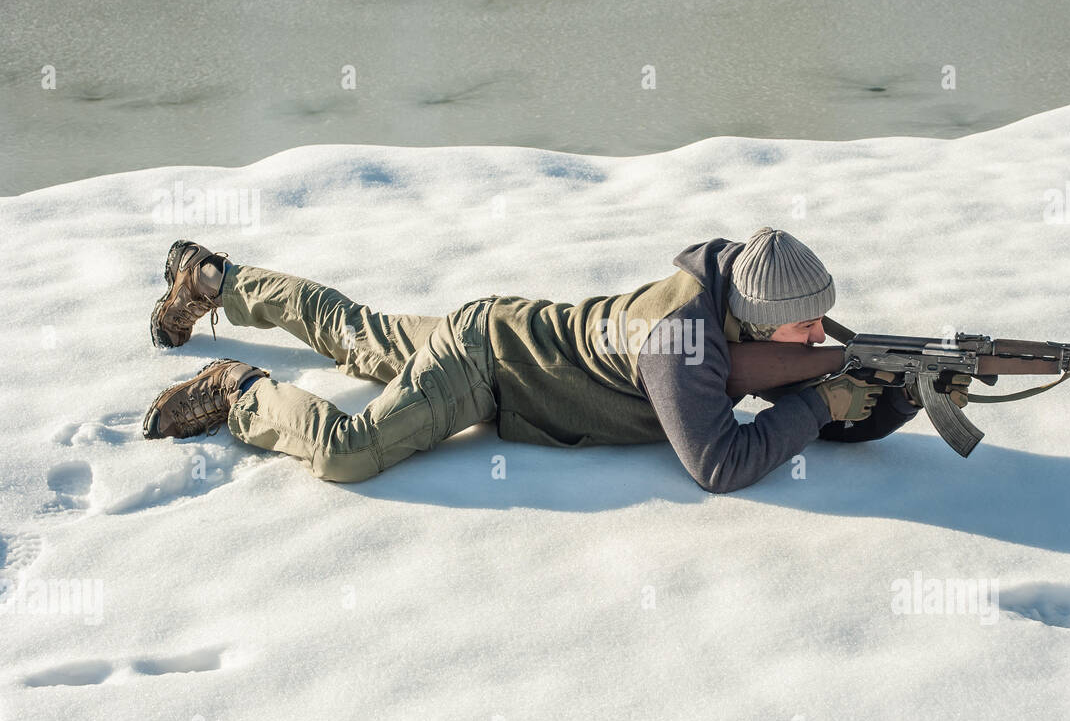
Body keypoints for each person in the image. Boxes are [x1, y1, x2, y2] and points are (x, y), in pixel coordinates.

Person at [143, 228, 967, 492]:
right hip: (485, 368)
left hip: (502, 326)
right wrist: (822, 403)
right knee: (349, 450)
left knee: (354, 332)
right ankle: (240, 391)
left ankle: (214, 278)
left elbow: (824, 411)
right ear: (759, 318)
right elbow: (718, 463)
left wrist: (904, 393)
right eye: (807, 325)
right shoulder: (678, 341)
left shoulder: (734, 299)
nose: (821, 335)